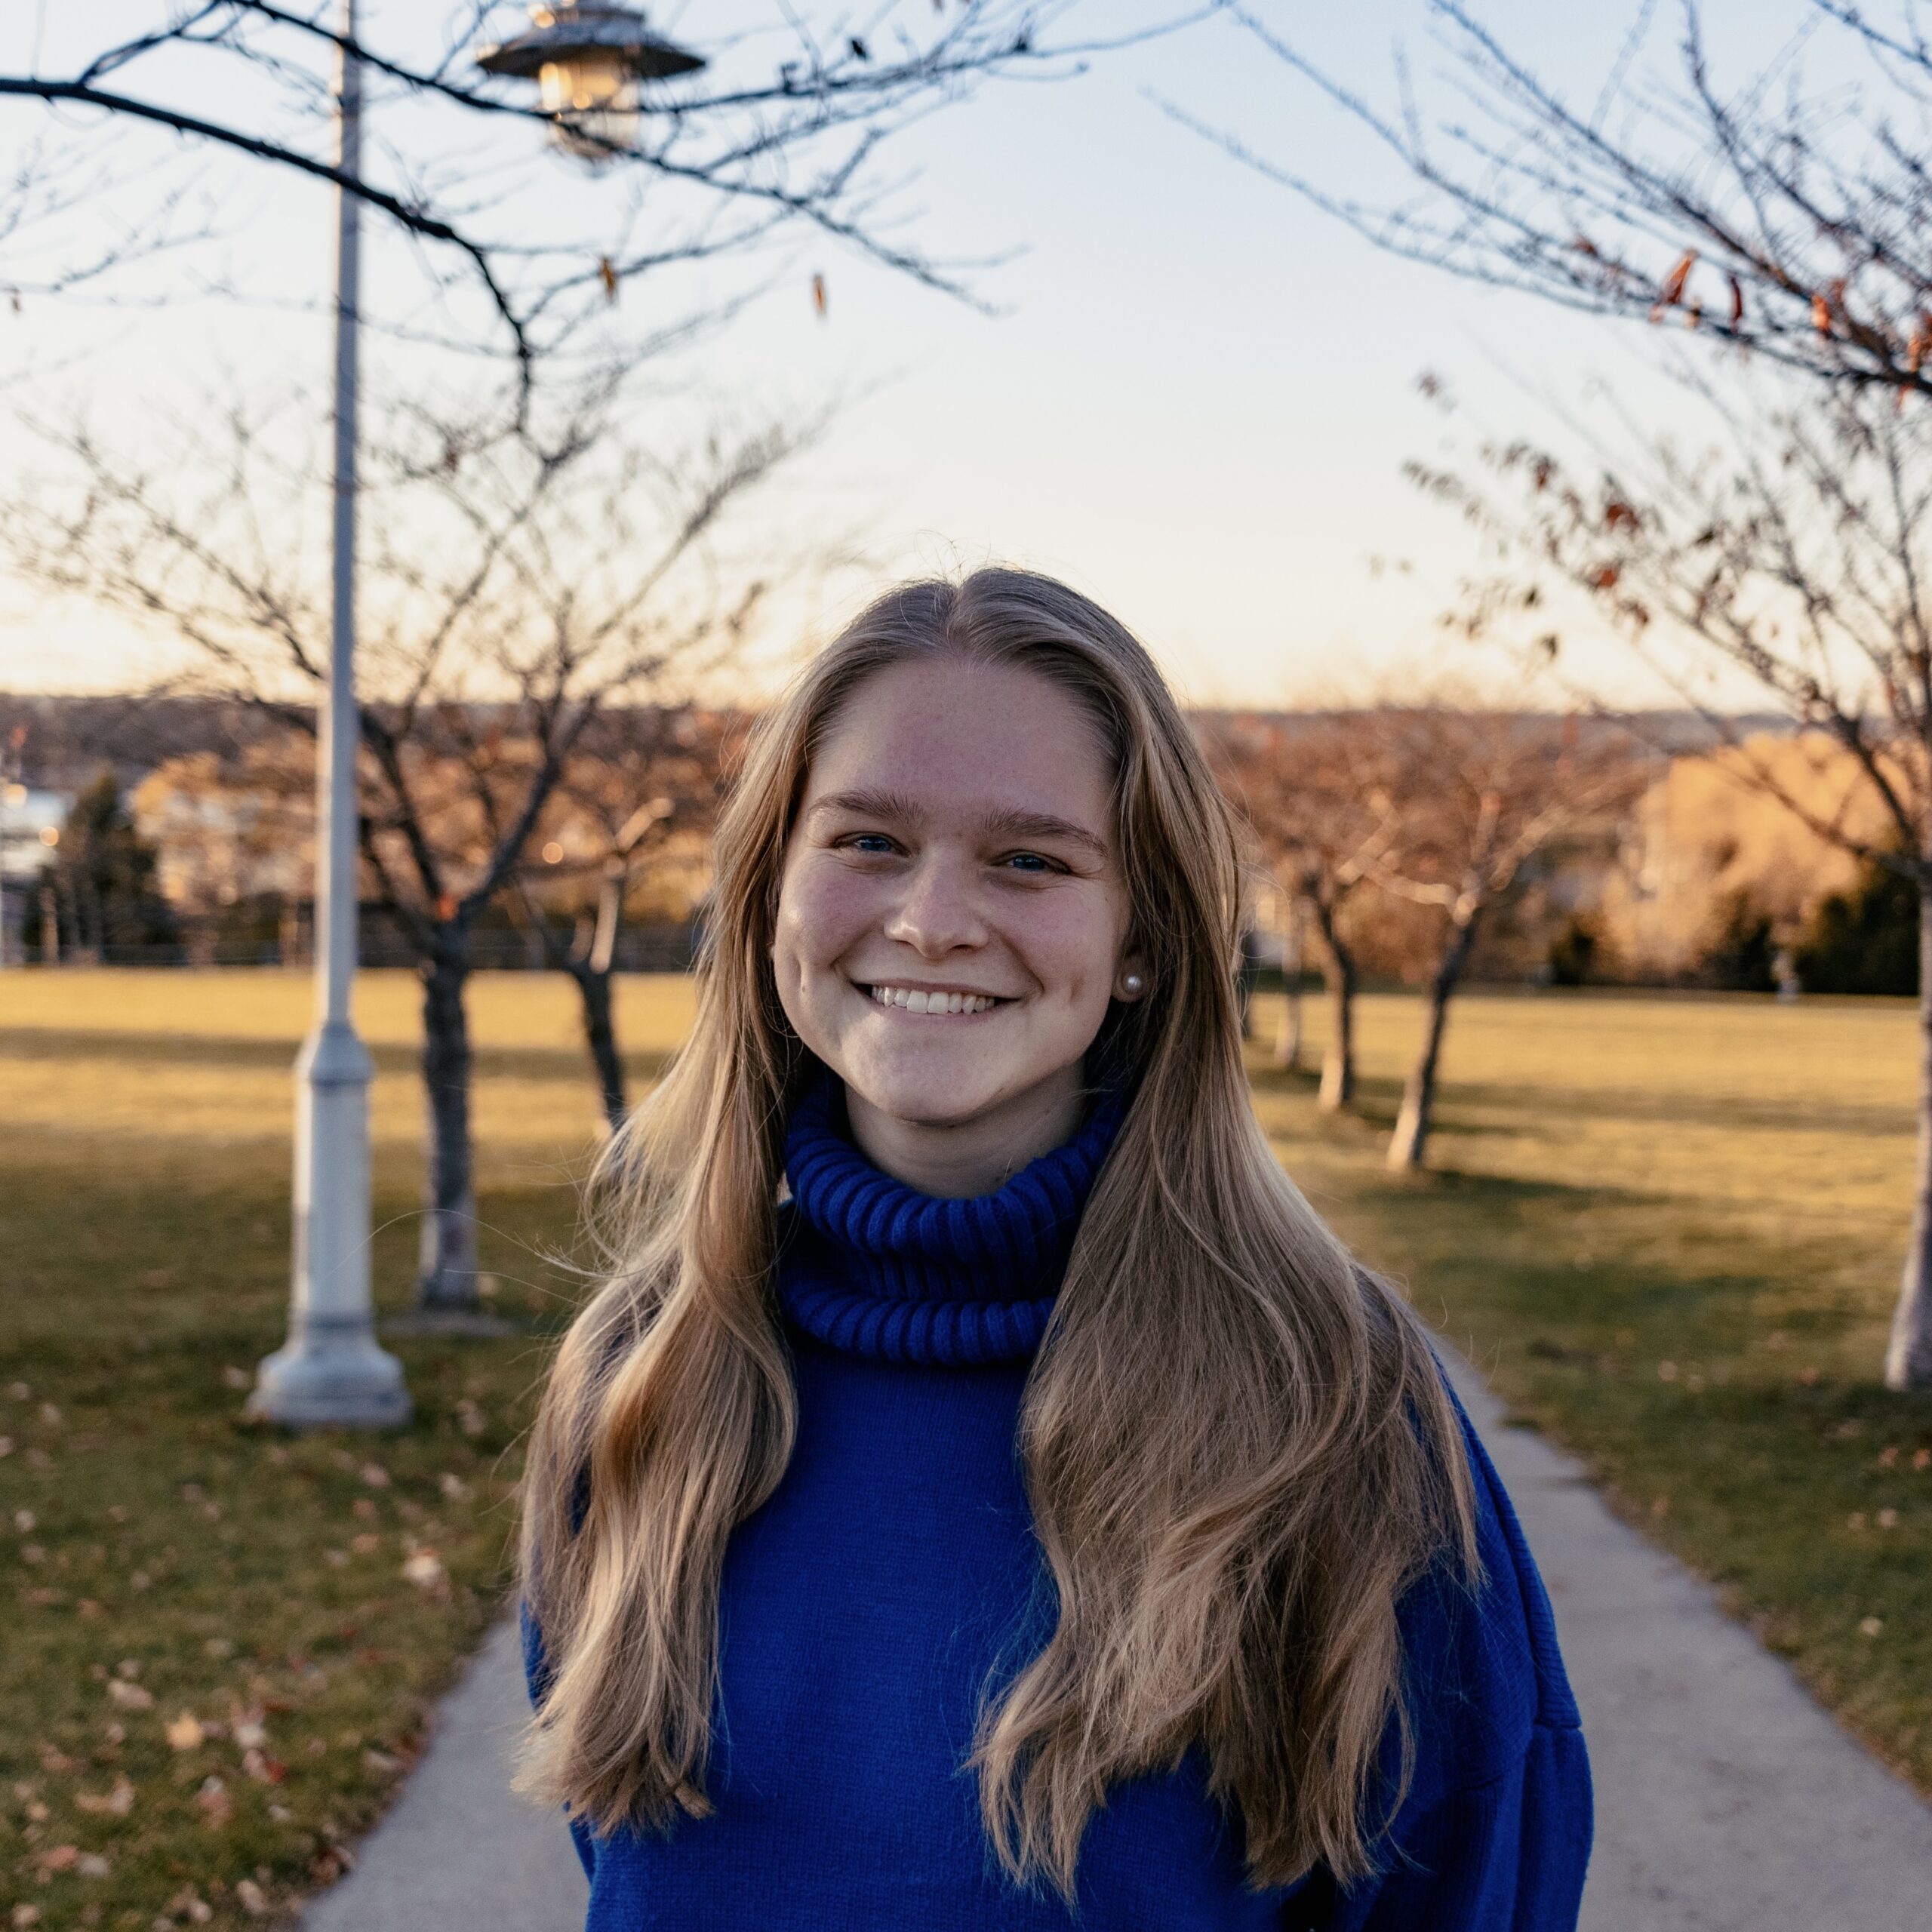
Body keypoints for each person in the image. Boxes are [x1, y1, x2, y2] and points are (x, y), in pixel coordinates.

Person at [513, 568, 1592, 1930]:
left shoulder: (1328, 1404)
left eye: (1030, 860)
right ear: (770, 893)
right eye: (866, 842)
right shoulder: (645, 1377)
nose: (931, 919)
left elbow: (1468, 1884)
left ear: (1141, 932)